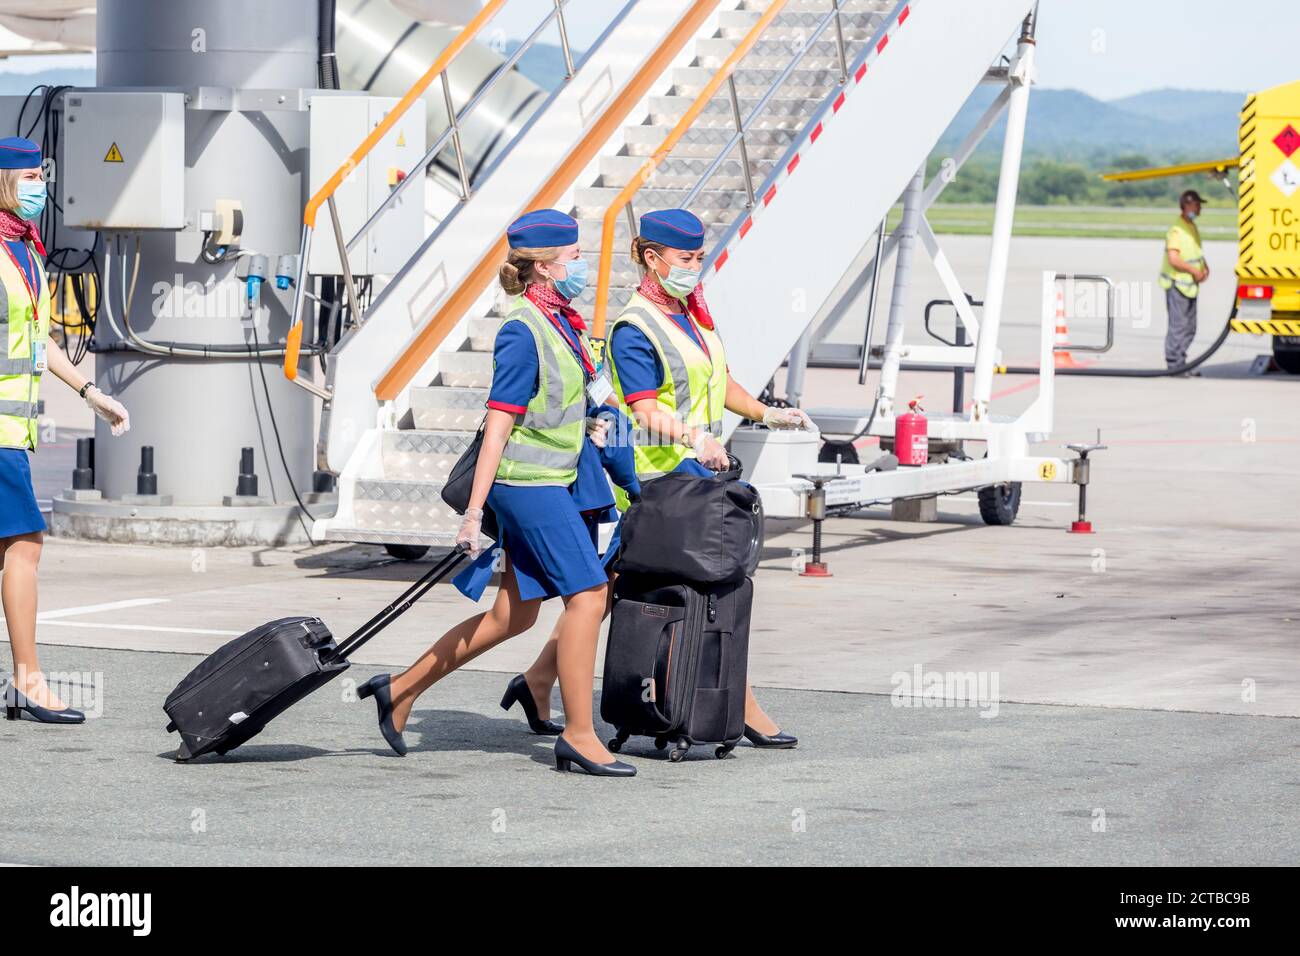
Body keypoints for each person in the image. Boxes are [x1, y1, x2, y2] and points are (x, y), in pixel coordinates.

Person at [356, 209, 636, 777]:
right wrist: (474, 512)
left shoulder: (563, 323)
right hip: (525, 485)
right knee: (589, 596)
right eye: (575, 255)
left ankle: (400, 689)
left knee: (513, 616)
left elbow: (571, 400)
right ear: (545, 267)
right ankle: (580, 736)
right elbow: (499, 425)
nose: (583, 263)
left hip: (552, 481)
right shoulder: (522, 330)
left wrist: (601, 424)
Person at [607, 208, 810, 748]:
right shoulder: (634, 327)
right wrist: (694, 437)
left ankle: (539, 681)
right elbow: (644, 409)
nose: (695, 267)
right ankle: (737, 704)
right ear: (653, 259)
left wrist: (768, 414)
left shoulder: (691, 312)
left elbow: (720, 382)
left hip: (699, 475)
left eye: (699, 257)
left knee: (609, 597)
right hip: (660, 476)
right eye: (685, 258)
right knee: (711, 587)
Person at [0, 136, 130, 724]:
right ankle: (28, 681)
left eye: (40, 177)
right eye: (30, 179)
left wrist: (90, 393)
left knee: (14, 548)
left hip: (15, 431)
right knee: (25, 546)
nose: (40, 188)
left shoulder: (27, 249)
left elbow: (39, 339)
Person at [1160, 189, 1209, 375]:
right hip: (1178, 284)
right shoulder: (1177, 230)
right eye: (1197, 205)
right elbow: (1174, 259)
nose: (1199, 208)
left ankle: (1181, 363)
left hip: (1190, 286)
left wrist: (1204, 268)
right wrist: (1194, 271)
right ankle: (1175, 365)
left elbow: (1195, 252)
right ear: (1187, 205)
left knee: (1190, 327)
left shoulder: (1190, 227)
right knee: (1179, 326)